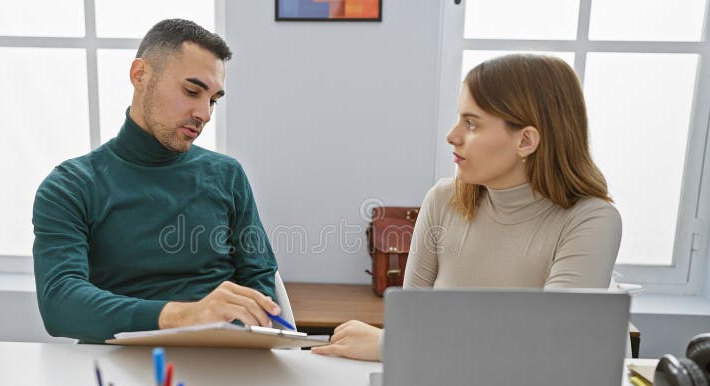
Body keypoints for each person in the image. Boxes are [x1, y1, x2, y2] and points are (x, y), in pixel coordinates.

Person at [312, 54, 622, 361]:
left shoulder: (591, 221)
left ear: (526, 141)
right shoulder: (442, 200)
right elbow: (410, 326)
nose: (452, 136)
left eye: (471, 123)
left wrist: (390, 345)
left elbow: (549, 345)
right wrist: (402, 343)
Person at [33, 19, 281, 343]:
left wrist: (239, 338)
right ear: (140, 75)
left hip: (224, 357)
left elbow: (259, 278)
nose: (204, 113)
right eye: (192, 91)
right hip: (117, 366)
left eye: (213, 99)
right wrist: (186, 317)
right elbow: (60, 304)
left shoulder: (227, 175)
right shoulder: (69, 187)